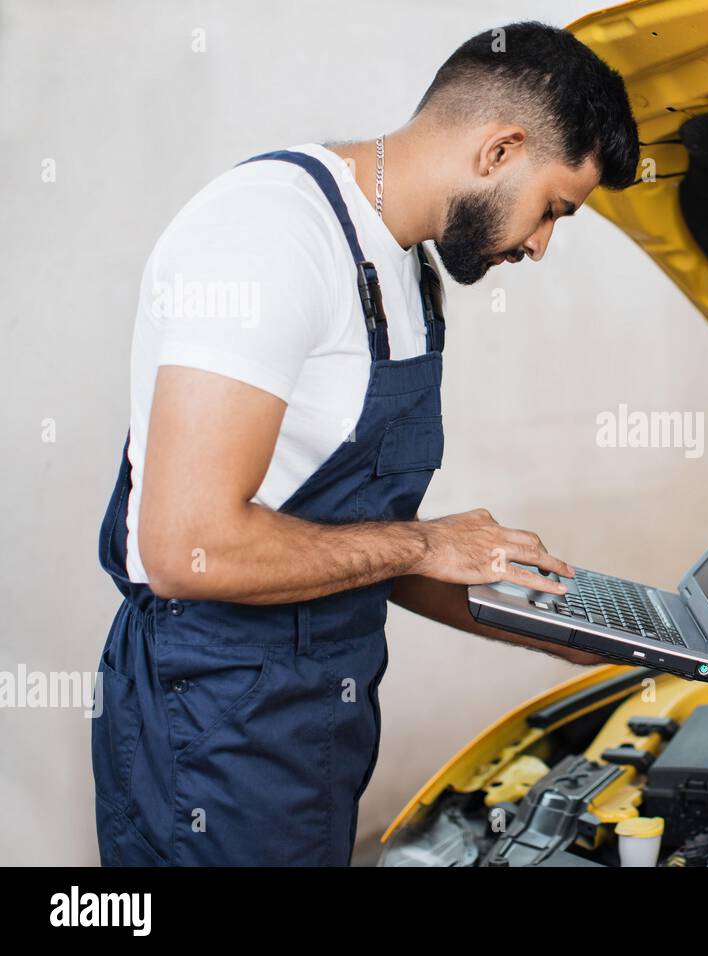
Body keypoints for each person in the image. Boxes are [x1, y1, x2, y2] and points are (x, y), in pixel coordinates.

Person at [92, 21, 639, 865]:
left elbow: (360, 550)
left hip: (317, 716)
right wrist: (429, 539)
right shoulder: (271, 236)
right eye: (552, 210)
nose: (539, 245)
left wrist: (584, 632)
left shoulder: (410, 273)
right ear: (500, 150)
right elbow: (188, 546)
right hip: (213, 712)